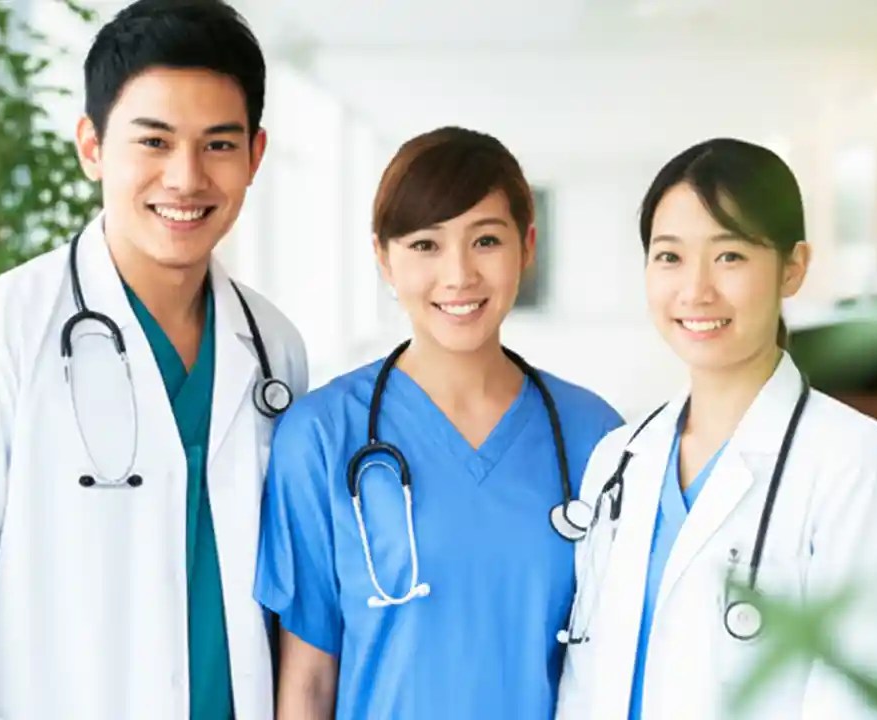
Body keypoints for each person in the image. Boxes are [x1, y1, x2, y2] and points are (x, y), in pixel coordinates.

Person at [0, 1, 307, 718]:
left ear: (255, 155)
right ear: (91, 146)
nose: (186, 178)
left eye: (218, 145)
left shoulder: (273, 345)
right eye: (153, 142)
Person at [254, 126, 624, 719]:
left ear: (527, 247)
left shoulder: (596, 437)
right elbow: (309, 681)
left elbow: (618, 663)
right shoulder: (323, 437)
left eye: (485, 241)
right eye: (425, 245)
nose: (458, 276)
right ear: (383, 258)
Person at [555, 138, 877, 719]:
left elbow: (855, 697)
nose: (696, 290)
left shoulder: (850, 456)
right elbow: (584, 678)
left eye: (730, 256)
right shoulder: (620, 458)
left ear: (793, 268)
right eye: (669, 257)